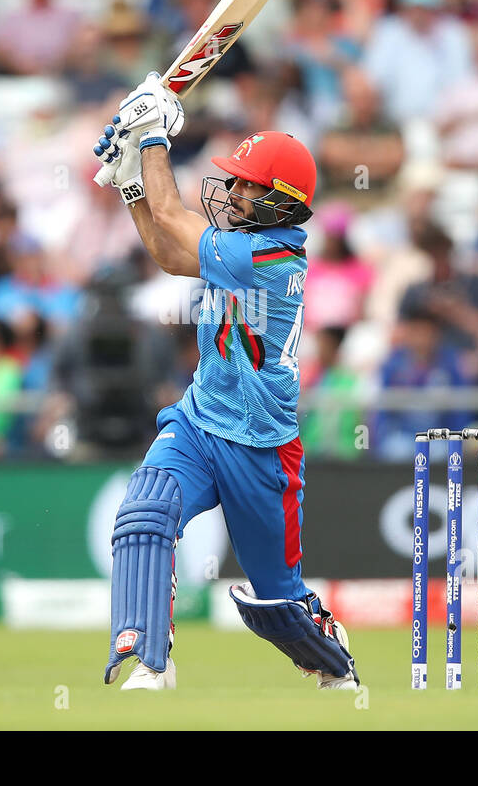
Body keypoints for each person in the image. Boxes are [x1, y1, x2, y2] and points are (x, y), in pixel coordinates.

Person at [89, 73, 359, 691]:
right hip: (199, 419)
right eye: (233, 181)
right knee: (142, 516)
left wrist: (151, 137)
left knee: (277, 605)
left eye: (246, 185)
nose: (231, 192)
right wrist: (132, 176)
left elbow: (171, 219)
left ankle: (330, 656)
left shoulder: (271, 258)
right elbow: (170, 252)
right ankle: (148, 659)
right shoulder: (237, 243)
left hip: (262, 448)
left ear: (280, 201)